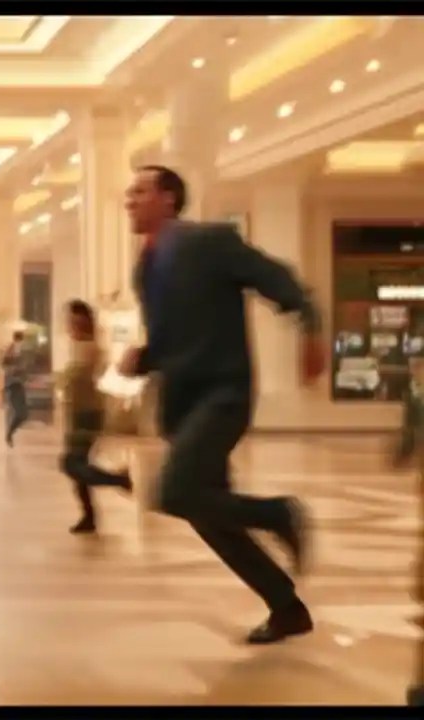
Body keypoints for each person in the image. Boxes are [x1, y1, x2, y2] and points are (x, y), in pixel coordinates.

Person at [117, 165, 323, 644]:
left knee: (173, 491)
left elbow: (273, 276)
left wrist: (309, 323)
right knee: (208, 512)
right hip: (182, 402)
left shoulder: (209, 241)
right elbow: (171, 338)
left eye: (140, 191)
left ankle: (280, 514)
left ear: (169, 199)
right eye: (129, 193)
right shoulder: (145, 267)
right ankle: (286, 607)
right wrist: (143, 358)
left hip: (222, 393)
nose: (130, 199)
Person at [60, 299, 132, 534]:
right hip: (78, 412)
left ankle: (119, 480)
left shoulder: (90, 348)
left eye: (73, 319)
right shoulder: (80, 346)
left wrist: (65, 378)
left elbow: (79, 377)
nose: (69, 324)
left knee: (71, 463)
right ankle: (89, 516)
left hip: (86, 414)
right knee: (79, 467)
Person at [1, 330, 31, 446]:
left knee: (22, 413)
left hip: (18, 384)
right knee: (19, 412)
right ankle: (9, 433)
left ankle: (9, 432)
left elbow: (24, 366)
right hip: (13, 384)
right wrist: (15, 369)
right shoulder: (10, 350)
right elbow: (6, 365)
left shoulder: (19, 351)